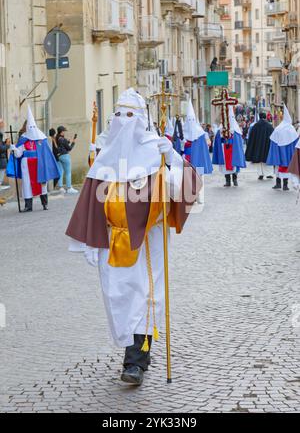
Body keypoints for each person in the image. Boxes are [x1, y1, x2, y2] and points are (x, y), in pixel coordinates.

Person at [66, 88, 201, 386]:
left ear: (142, 119)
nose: (124, 122)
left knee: (145, 297)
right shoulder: (105, 157)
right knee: (120, 299)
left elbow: (189, 189)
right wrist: (89, 240)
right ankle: (135, 351)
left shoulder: (157, 152)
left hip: (148, 243)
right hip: (114, 242)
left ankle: (136, 361)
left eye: (131, 115)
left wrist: (174, 159)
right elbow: (90, 203)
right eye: (119, 115)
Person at [6, 106, 60, 212]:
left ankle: (44, 204)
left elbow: (46, 154)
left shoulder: (41, 139)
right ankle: (28, 206)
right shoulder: (23, 139)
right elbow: (18, 154)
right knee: (27, 185)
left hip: (39, 165)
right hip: (26, 165)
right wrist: (14, 148)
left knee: (42, 184)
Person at [266, 105, 299, 191]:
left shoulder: (278, 128)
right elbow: (295, 142)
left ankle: (278, 184)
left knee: (277, 167)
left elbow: (273, 140)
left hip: (278, 151)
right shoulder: (291, 129)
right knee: (287, 167)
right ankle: (285, 185)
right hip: (288, 153)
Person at [212, 106, 246, 187]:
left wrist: (233, 133)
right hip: (224, 148)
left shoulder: (236, 129)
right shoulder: (221, 126)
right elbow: (218, 137)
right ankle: (227, 180)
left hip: (234, 151)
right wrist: (221, 133)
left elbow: (239, 141)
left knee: (234, 165)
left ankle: (235, 179)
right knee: (225, 166)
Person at [245, 111, 274, 180]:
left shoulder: (255, 126)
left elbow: (251, 137)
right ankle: (268, 174)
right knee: (266, 159)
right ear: (265, 117)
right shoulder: (269, 126)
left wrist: (251, 146)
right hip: (267, 145)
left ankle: (260, 174)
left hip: (258, 146)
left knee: (259, 160)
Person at [56, 126, 78, 195]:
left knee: (60, 171)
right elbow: (69, 148)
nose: (65, 132)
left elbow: (61, 146)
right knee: (68, 172)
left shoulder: (57, 138)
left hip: (58, 156)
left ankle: (60, 188)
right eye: (64, 131)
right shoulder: (63, 139)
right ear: (62, 132)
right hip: (65, 156)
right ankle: (69, 188)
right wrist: (73, 142)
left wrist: (67, 141)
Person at [0, 119, 10, 190]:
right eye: (2, 123)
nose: (3, 124)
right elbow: (1, 148)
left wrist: (4, 143)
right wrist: (7, 145)